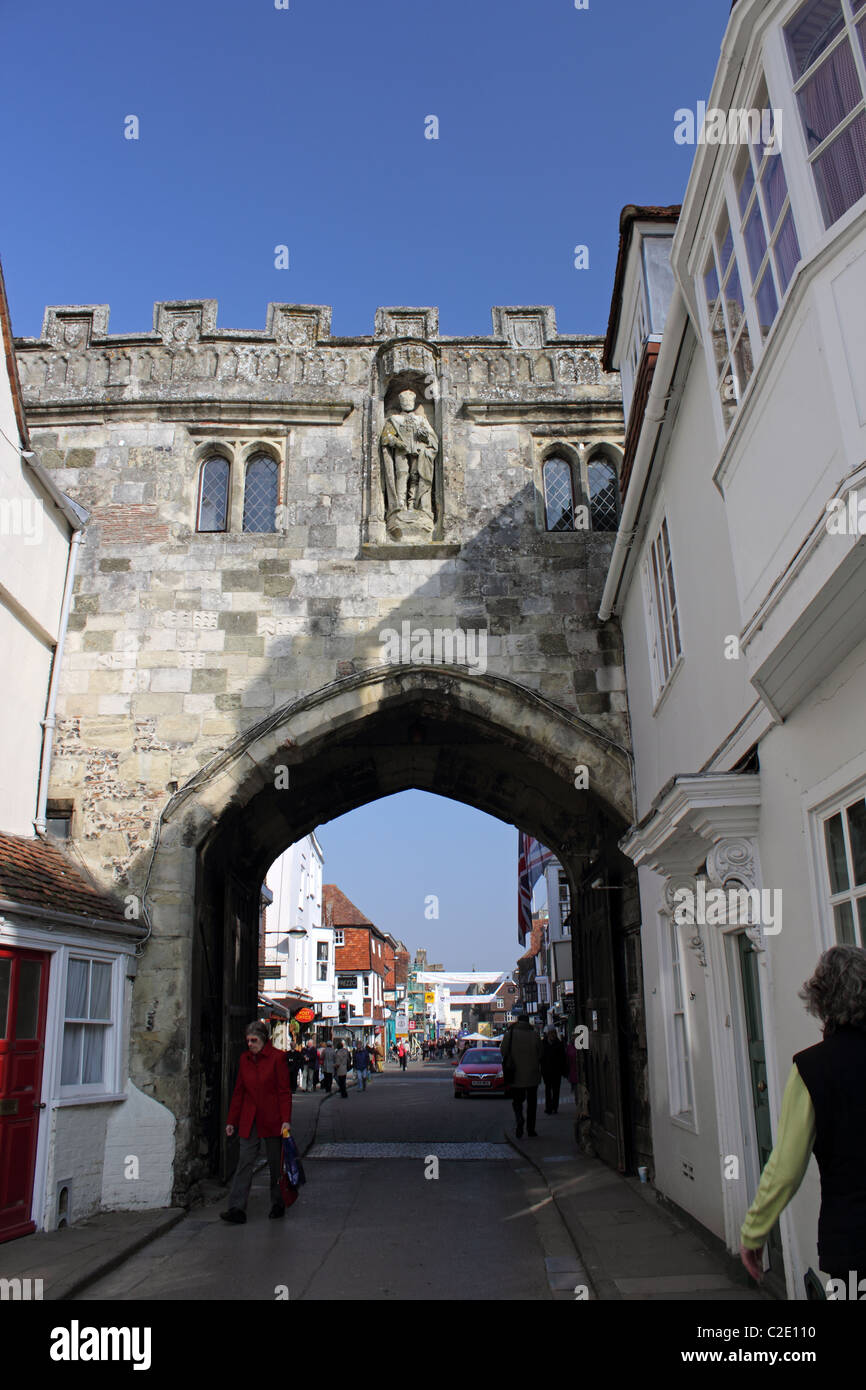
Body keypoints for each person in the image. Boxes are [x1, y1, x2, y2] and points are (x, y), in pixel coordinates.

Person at [739, 945, 866, 1289]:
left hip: (854, 1244)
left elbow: (786, 1168)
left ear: (821, 1001)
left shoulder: (813, 1068)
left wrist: (755, 1230)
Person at [221, 1020, 291, 1224]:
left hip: (272, 1118)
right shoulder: (245, 1059)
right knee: (245, 1161)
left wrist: (286, 1120)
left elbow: (284, 1092)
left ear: (263, 1040)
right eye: (248, 1041)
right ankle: (236, 1207)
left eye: (253, 1040)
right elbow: (239, 1091)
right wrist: (231, 1120)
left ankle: (278, 1202)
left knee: (274, 1163)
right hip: (249, 1118)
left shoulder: (278, 1059)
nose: (250, 1044)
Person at [500, 1011, 543, 1138]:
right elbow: (541, 1053)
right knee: (532, 1103)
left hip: (515, 1074)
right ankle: (531, 1129)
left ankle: (519, 1118)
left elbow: (503, 1051)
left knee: (517, 1101)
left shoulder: (511, 1034)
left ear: (518, 1021)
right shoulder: (534, 1034)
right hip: (532, 1075)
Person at [541, 1026, 567, 1115]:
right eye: (550, 1033)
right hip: (547, 1071)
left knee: (556, 1090)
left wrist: (564, 1071)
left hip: (556, 1071)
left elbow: (563, 1059)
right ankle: (548, 1108)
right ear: (548, 1034)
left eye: (553, 1033)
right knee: (548, 1090)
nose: (552, 1035)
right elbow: (541, 1058)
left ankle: (555, 1107)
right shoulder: (543, 1044)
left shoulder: (559, 1044)